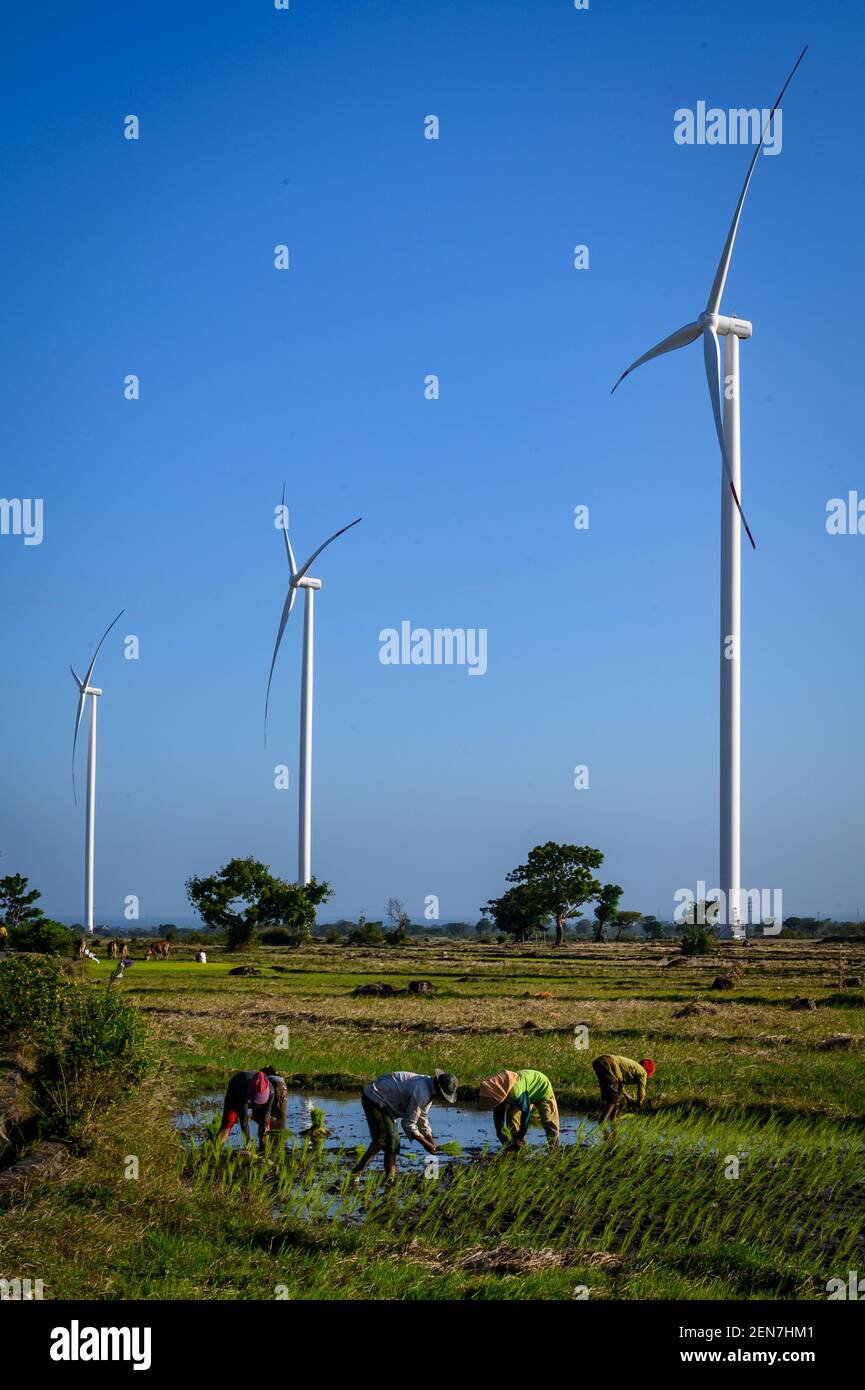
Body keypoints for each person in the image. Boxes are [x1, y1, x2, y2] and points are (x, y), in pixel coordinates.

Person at [352, 1070, 458, 1183]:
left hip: (386, 1100)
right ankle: (358, 1173)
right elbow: (408, 1124)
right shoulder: (421, 1093)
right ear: (439, 1091)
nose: (442, 1099)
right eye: (443, 1096)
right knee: (385, 1139)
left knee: (392, 1141)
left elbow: (422, 1117)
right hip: (375, 1097)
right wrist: (425, 1144)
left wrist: (430, 1139)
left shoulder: (428, 1089)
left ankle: (389, 1179)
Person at [478, 1068, 560, 1151]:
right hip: (526, 1090)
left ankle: (554, 1150)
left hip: (542, 1088)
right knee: (512, 1117)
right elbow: (498, 1117)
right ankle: (519, 1148)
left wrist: (521, 1134)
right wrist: (501, 1135)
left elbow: (526, 1112)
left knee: (549, 1121)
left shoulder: (515, 1092)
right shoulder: (497, 1095)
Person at [216, 1068, 288, 1152]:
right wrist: (248, 1140)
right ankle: (215, 1148)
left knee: (264, 1123)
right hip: (235, 1091)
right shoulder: (242, 1089)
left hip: (251, 1092)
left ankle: (264, 1148)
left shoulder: (271, 1090)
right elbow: (244, 1119)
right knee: (228, 1122)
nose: (257, 1105)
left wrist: (264, 1124)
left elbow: (267, 1111)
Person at [592, 1054, 655, 1123]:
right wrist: (639, 1103)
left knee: (615, 1097)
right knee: (614, 1098)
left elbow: (619, 1085)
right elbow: (641, 1091)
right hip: (607, 1063)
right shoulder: (643, 1072)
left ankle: (613, 1121)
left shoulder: (634, 1067)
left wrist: (627, 1097)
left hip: (599, 1062)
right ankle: (601, 1123)